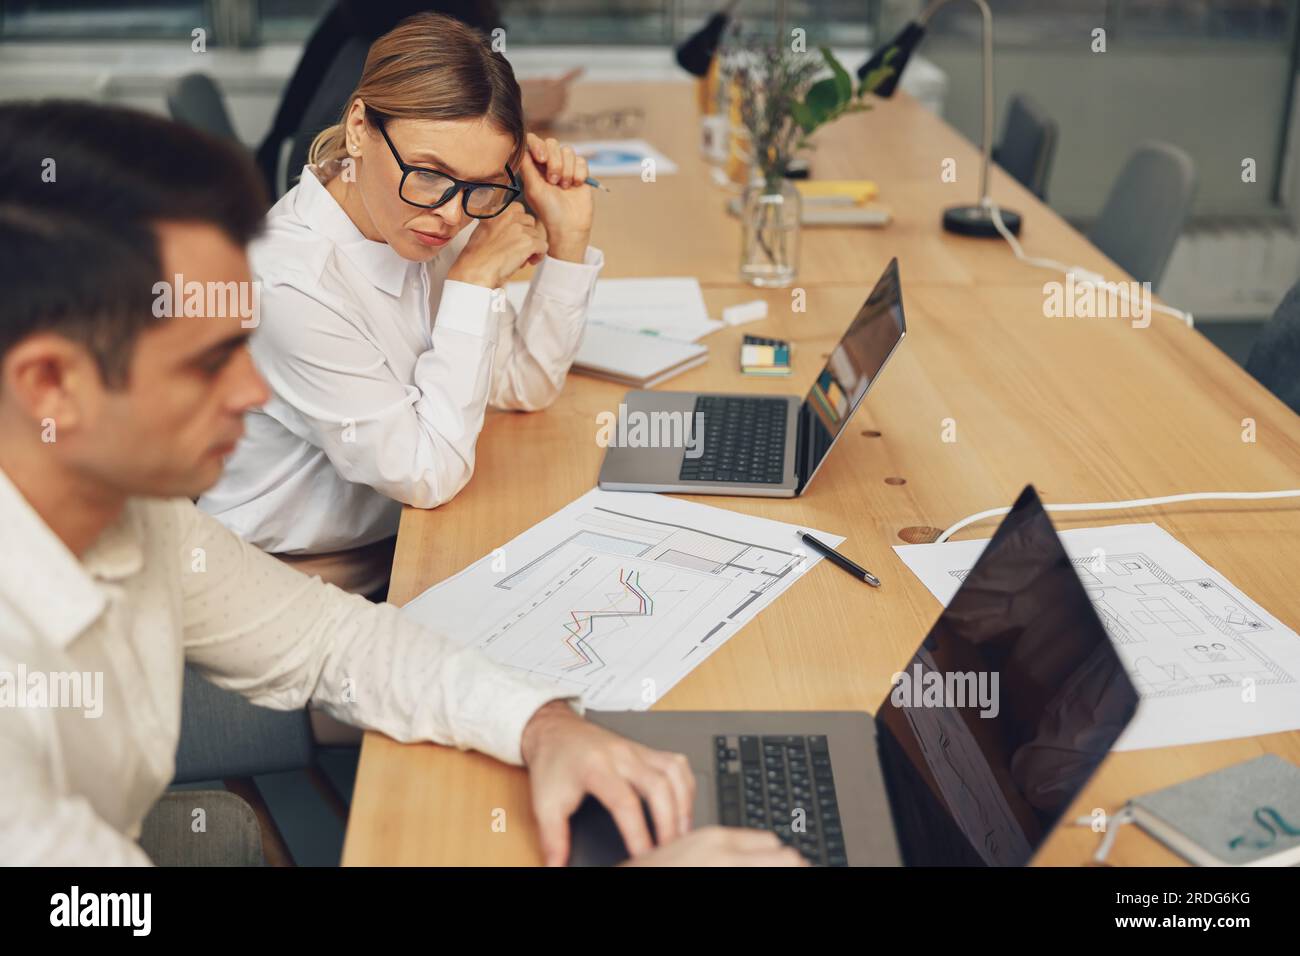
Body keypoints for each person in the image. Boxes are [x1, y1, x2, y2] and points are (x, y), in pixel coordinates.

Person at [0, 99, 803, 869]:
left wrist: (543, 725)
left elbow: (333, 640)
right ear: (48, 385)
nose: (251, 392)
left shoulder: (131, 514)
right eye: (209, 361)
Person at [199, 13, 597, 599]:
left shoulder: (423, 215)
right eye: (430, 173)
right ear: (359, 126)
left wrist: (568, 242)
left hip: (402, 546)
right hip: (293, 583)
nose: (452, 213)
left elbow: (521, 383)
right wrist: (475, 278)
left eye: (484, 185)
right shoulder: (285, 283)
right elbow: (427, 472)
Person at [256, 0, 581, 196]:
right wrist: (516, 113)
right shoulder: (430, 36)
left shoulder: (364, 20)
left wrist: (505, 102)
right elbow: (481, 187)